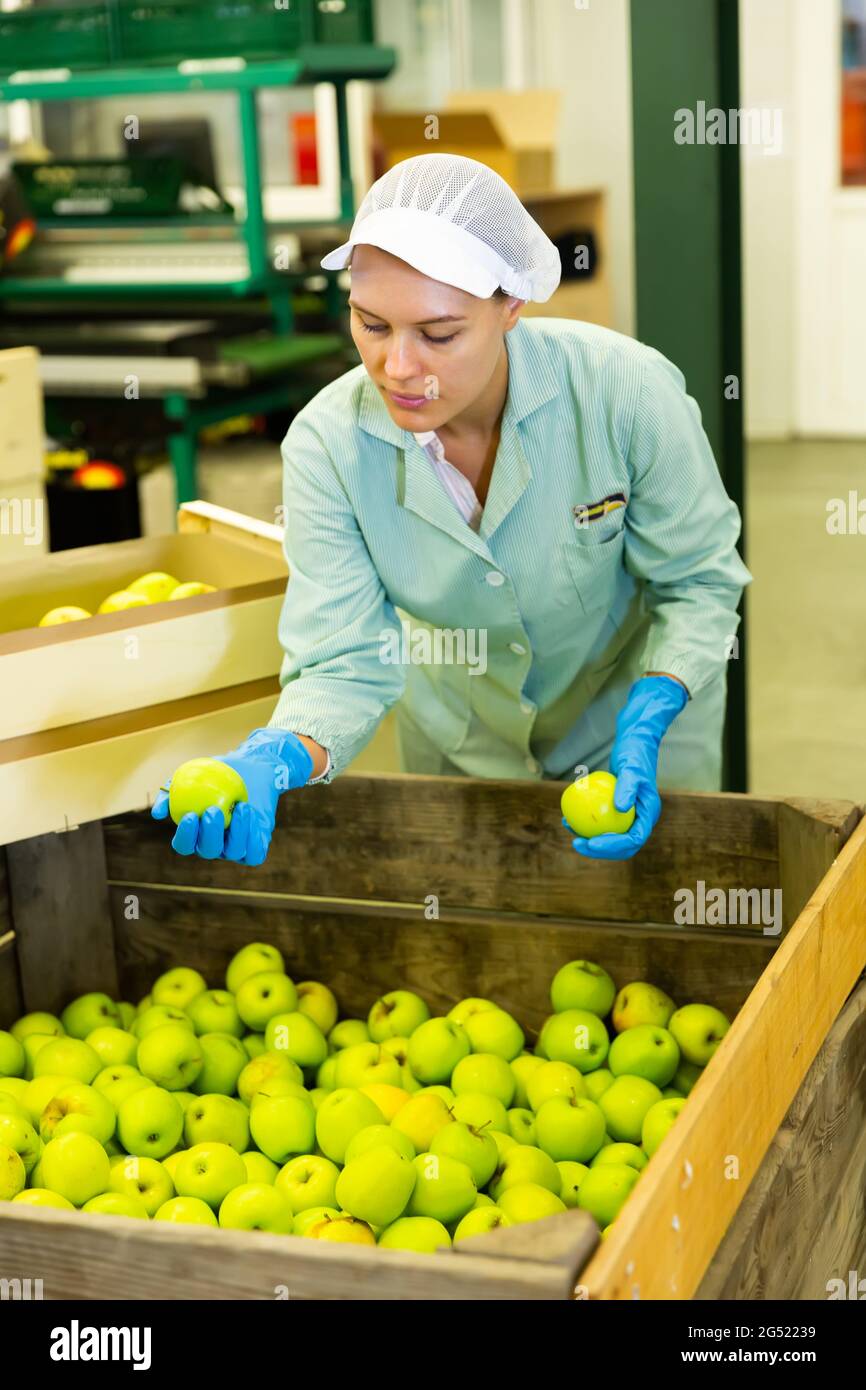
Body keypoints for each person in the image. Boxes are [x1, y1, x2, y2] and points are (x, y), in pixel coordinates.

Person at [153, 153, 751, 866]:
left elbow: (699, 583)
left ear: (511, 308)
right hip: (462, 746)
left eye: (438, 335)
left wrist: (651, 714)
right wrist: (271, 758)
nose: (397, 368)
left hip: (632, 731)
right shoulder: (327, 446)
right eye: (371, 325)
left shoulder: (625, 392)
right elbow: (344, 660)